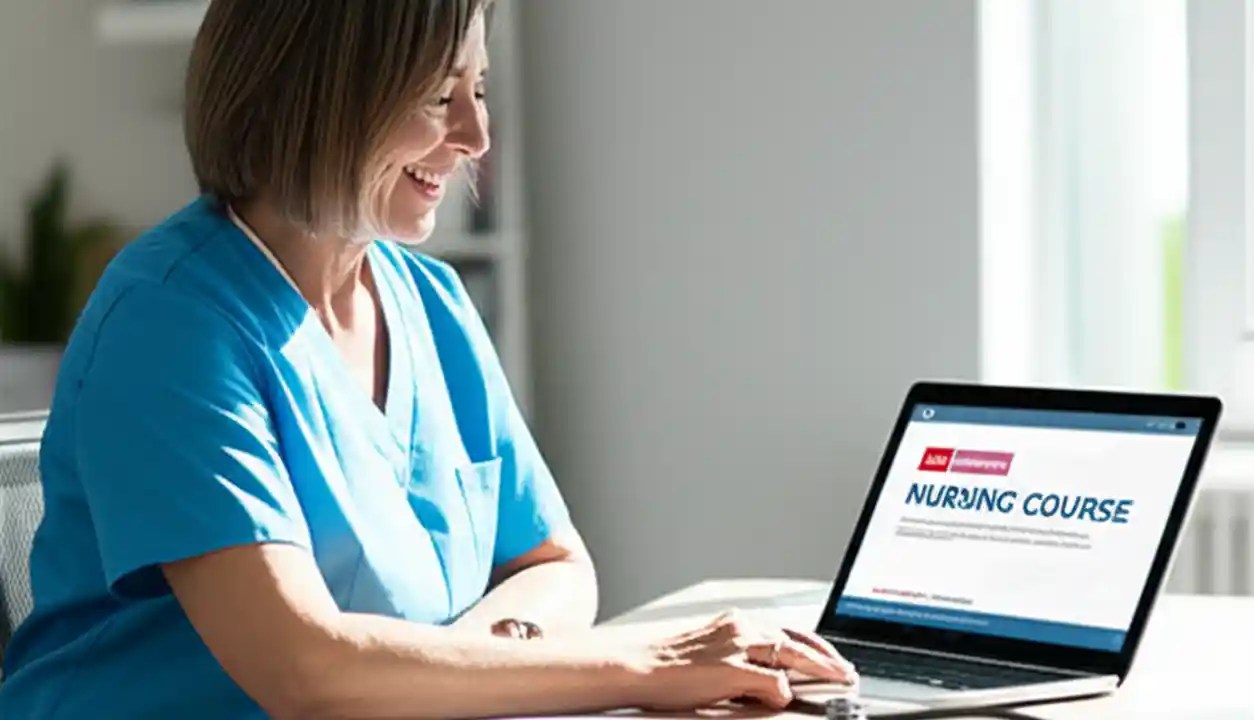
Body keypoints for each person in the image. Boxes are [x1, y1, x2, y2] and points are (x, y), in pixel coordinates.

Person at [0, 1, 857, 718]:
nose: (478, 133)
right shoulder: (172, 321)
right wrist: (650, 662)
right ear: (323, 95)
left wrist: (478, 661)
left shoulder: (431, 304)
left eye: (477, 89)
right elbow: (307, 671)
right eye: (440, 95)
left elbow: (556, 567)